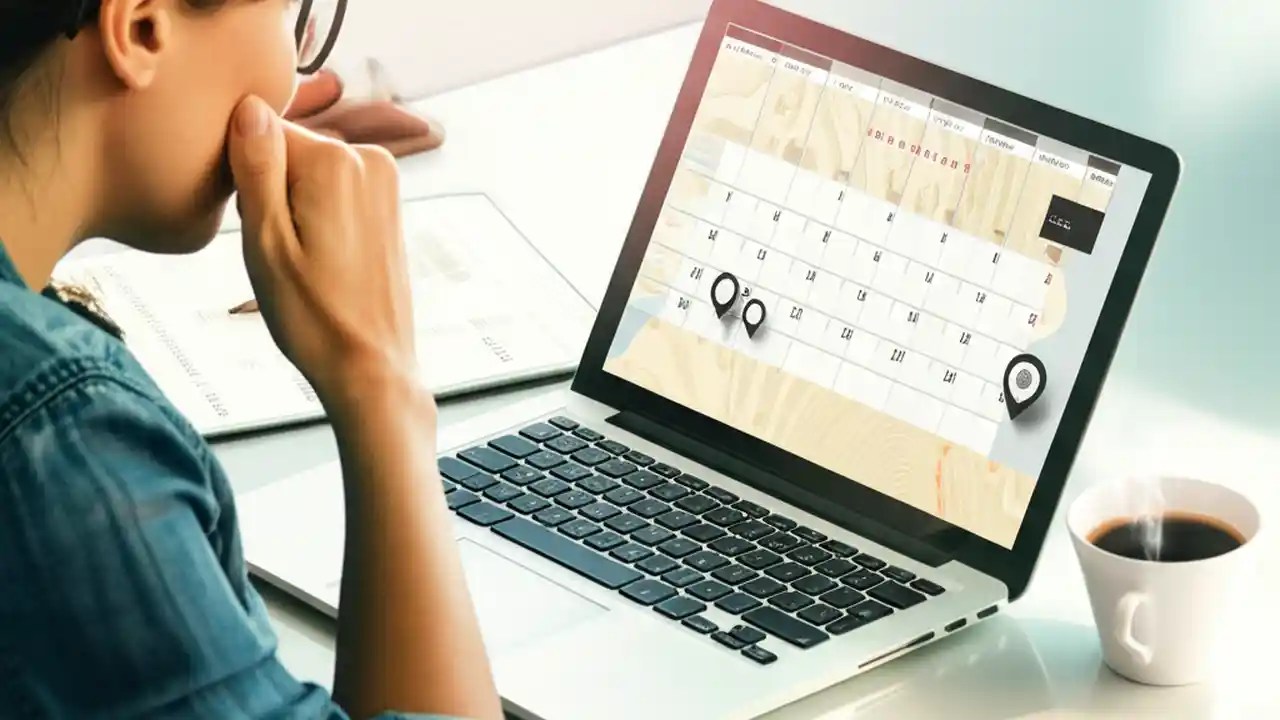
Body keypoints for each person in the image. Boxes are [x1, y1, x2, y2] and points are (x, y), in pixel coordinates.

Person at [0, 2, 501, 719]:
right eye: (290, 16)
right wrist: (381, 384)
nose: (293, 83)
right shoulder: (64, 441)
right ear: (141, 27)